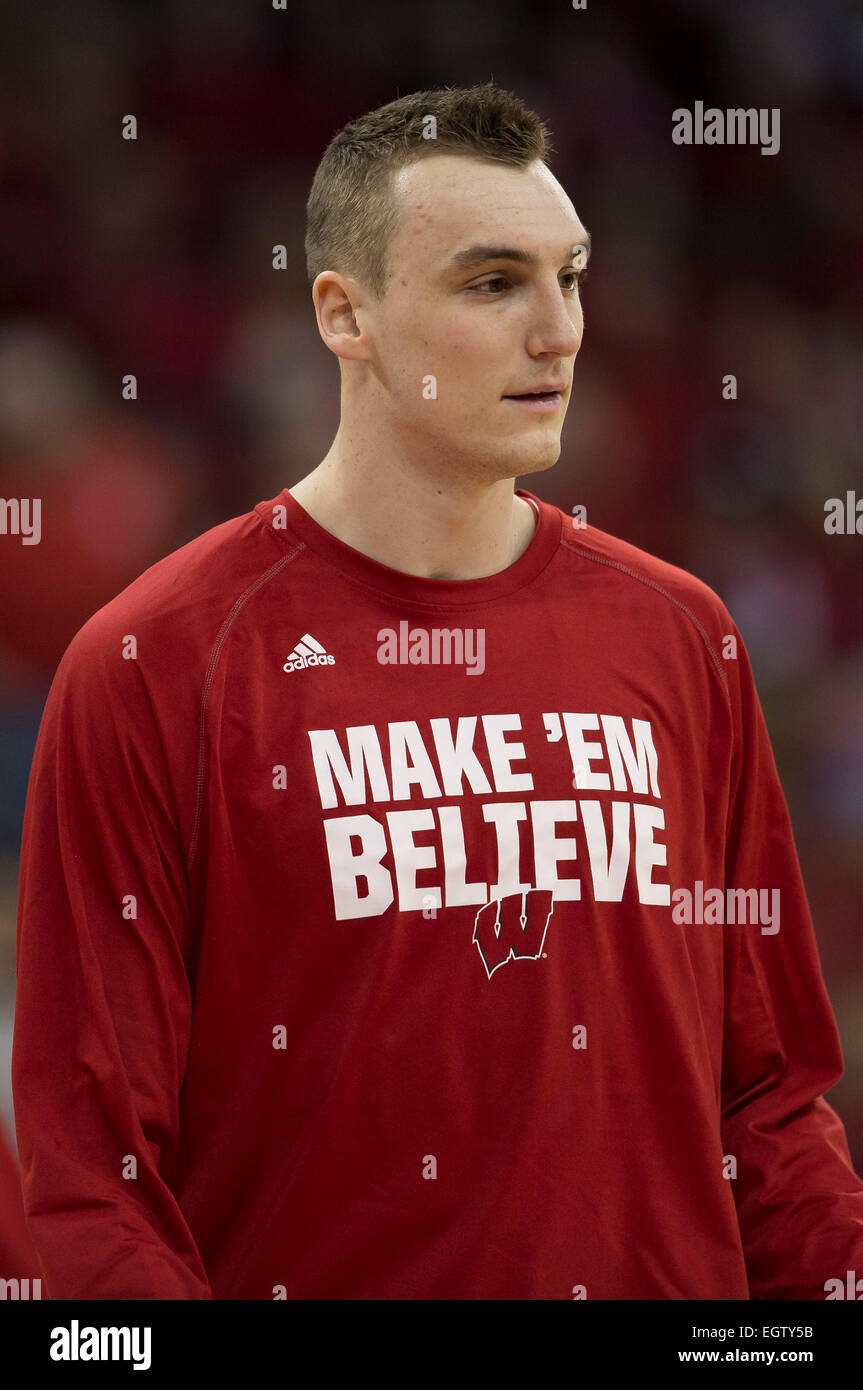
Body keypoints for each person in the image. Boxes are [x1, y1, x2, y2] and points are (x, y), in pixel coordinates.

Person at [12, 81, 863, 1300]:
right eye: (491, 282)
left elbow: (769, 1107)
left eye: (568, 277)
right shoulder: (155, 661)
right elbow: (93, 1186)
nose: (559, 329)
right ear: (344, 316)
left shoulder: (681, 636)